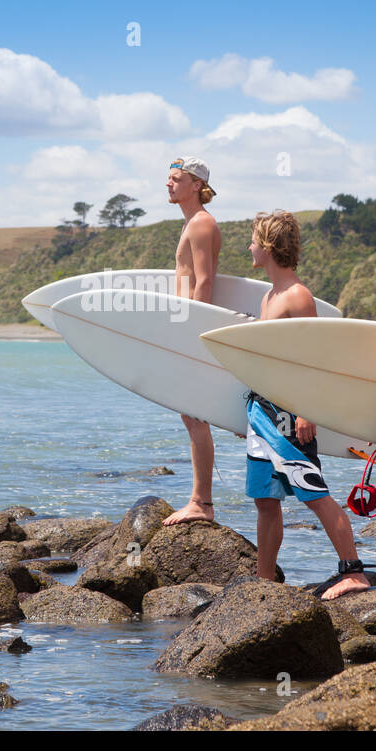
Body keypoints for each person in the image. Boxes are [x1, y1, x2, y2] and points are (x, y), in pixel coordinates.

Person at [245, 211, 371, 599]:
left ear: (267, 246)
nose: (248, 247)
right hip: (261, 411)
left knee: (312, 492)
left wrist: (306, 410)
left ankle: (353, 571)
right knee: (266, 500)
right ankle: (265, 580)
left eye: (252, 240)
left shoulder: (298, 296)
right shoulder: (269, 296)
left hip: (288, 413)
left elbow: (315, 358)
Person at [161, 157, 223, 526]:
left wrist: (193, 332)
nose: (168, 184)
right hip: (185, 324)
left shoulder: (201, 224)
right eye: (167, 178)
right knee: (191, 415)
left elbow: (205, 281)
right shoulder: (192, 222)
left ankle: (202, 502)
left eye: (176, 178)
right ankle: (201, 499)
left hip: (192, 327)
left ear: (197, 184)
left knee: (195, 415)